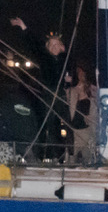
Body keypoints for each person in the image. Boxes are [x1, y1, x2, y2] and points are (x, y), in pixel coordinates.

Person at [10, 16, 70, 160]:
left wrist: (69, 81)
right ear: (48, 48)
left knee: (62, 125)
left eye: (57, 45)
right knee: (44, 125)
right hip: (48, 95)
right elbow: (34, 45)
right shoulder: (45, 58)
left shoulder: (66, 59)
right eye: (52, 45)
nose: (55, 47)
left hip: (61, 96)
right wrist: (23, 26)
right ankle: (40, 156)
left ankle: (61, 156)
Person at [66, 64, 97, 165]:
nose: (78, 86)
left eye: (80, 85)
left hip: (85, 132)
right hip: (73, 131)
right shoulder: (71, 94)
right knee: (71, 158)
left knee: (87, 158)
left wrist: (89, 118)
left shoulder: (90, 102)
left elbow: (93, 117)